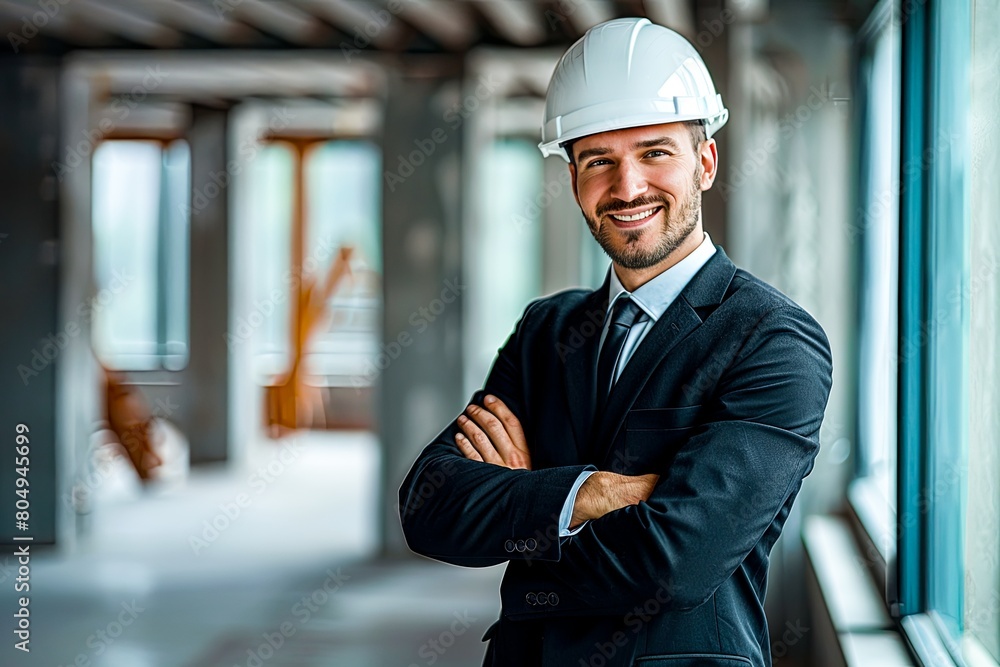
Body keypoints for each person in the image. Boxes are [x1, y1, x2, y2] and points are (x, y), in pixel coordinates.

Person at [398, 17, 833, 667]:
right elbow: (428, 504)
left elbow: (677, 563)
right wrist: (591, 493)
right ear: (574, 180)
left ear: (705, 162)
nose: (627, 187)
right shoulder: (546, 330)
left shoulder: (772, 339)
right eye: (599, 160)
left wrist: (528, 522)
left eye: (654, 152)